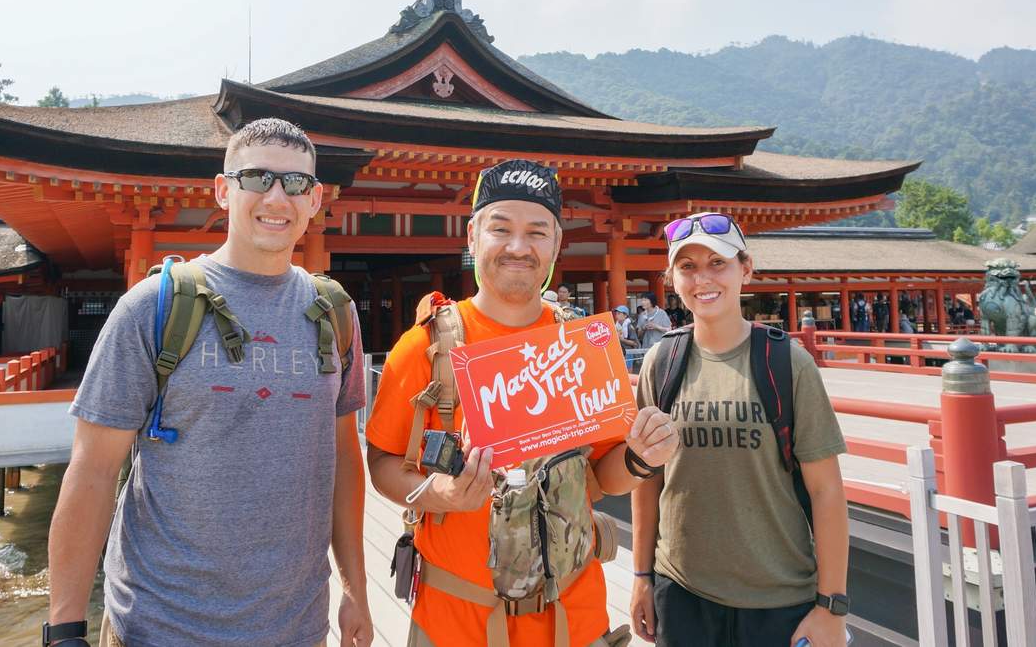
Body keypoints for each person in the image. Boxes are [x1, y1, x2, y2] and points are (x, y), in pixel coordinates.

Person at [45, 119, 372, 647]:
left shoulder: (335, 314)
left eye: (294, 184)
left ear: (314, 201)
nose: (276, 197)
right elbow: (93, 471)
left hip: (295, 626)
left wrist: (355, 587)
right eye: (257, 178)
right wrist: (62, 630)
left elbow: (341, 457)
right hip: (159, 624)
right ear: (223, 190)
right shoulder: (153, 308)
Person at [364, 159, 678, 647]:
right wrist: (439, 493)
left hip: (575, 618)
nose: (518, 246)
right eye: (501, 228)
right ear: (472, 238)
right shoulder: (425, 348)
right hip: (456, 621)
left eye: (536, 231)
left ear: (556, 243)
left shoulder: (581, 346)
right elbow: (382, 463)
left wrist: (642, 456)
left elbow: (601, 476)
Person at [630, 212, 849, 647]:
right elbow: (648, 477)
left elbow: (827, 491)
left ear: (745, 269)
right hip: (682, 591)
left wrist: (831, 606)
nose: (702, 279)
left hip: (779, 597)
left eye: (718, 263)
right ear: (671, 278)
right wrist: (641, 577)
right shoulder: (662, 362)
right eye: (687, 267)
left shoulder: (786, 363)